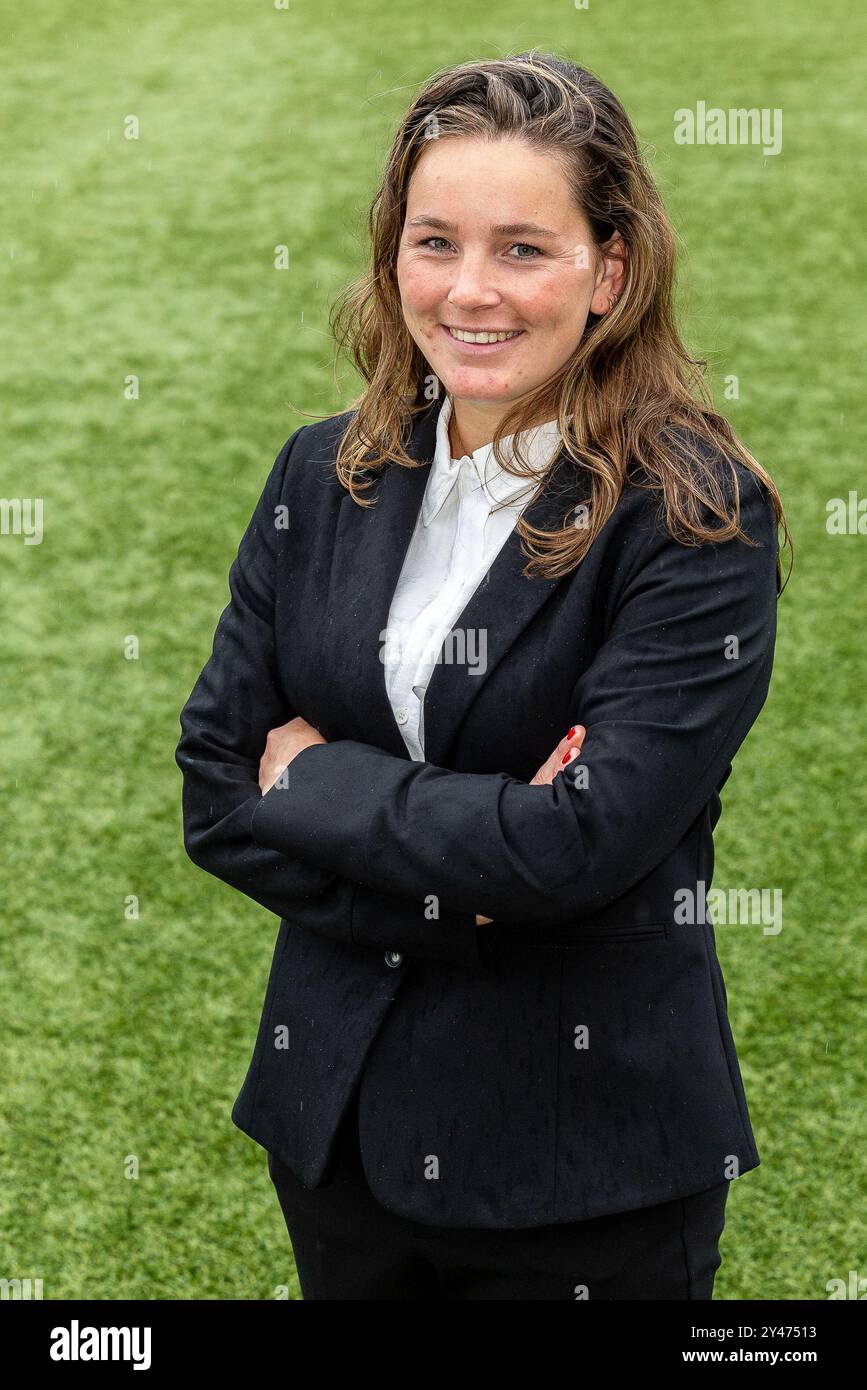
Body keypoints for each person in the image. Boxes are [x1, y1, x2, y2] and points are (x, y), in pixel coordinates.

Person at [175, 50, 792, 1300]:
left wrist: (320, 776)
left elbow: (582, 849)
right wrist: (492, 863)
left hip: (580, 1163)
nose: (469, 292)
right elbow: (217, 789)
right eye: (434, 241)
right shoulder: (320, 472)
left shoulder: (695, 515)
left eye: (523, 248)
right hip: (337, 1129)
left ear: (609, 270)